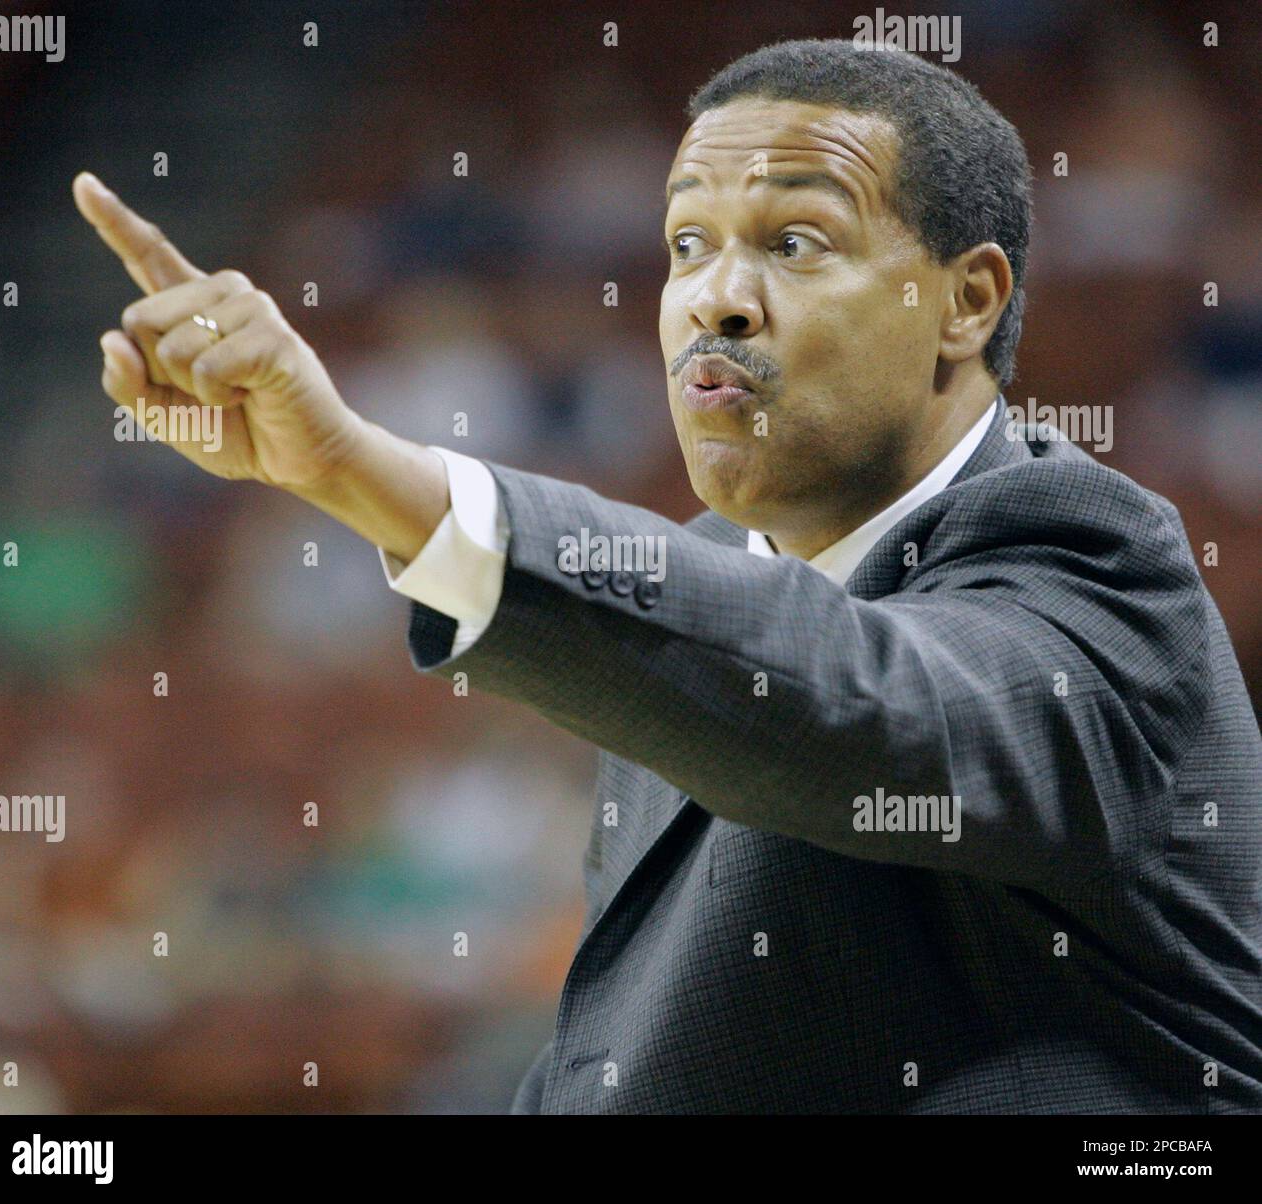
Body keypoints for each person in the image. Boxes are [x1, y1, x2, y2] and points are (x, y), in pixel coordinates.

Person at [74, 38, 1262, 1114]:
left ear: (966, 300)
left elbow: (858, 697)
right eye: (687, 243)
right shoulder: (699, 580)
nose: (714, 297)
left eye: (794, 243)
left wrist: (360, 468)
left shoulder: (1094, 556)